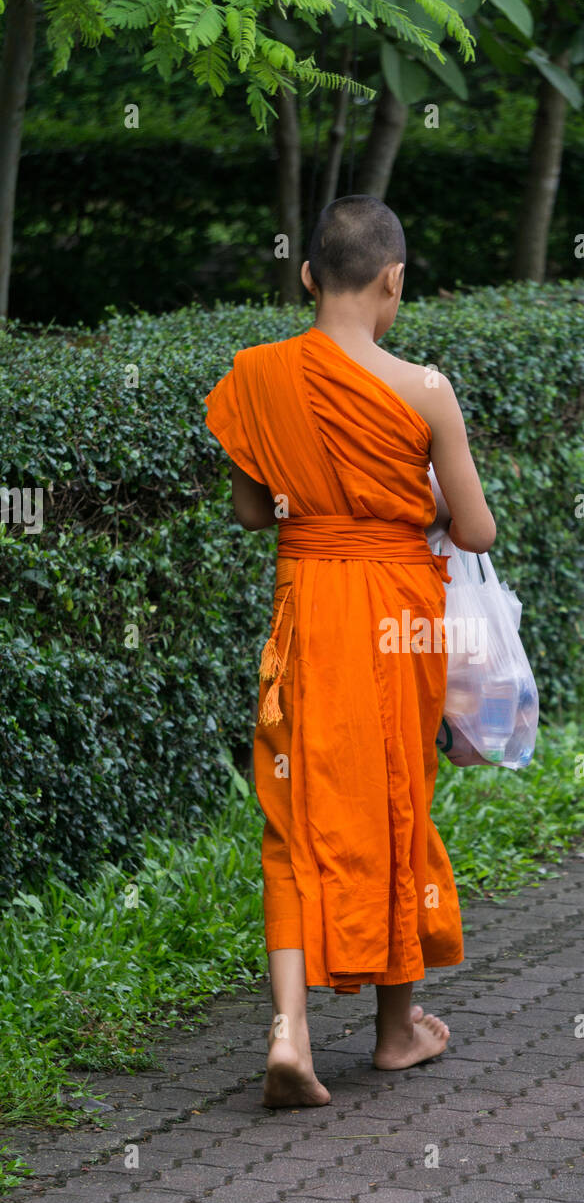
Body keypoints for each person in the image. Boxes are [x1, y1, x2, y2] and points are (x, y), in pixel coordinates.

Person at [204, 195, 495, 1108]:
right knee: (398, 795)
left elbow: (256, 513)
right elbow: (478, 530)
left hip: (308, 606)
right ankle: (395, 1029)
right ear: (393, 280)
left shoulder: (255, 376)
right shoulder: (426, 388)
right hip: (398, 617)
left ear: (305, 276)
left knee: (292, 811)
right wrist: (418, 502)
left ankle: (290, 1030)